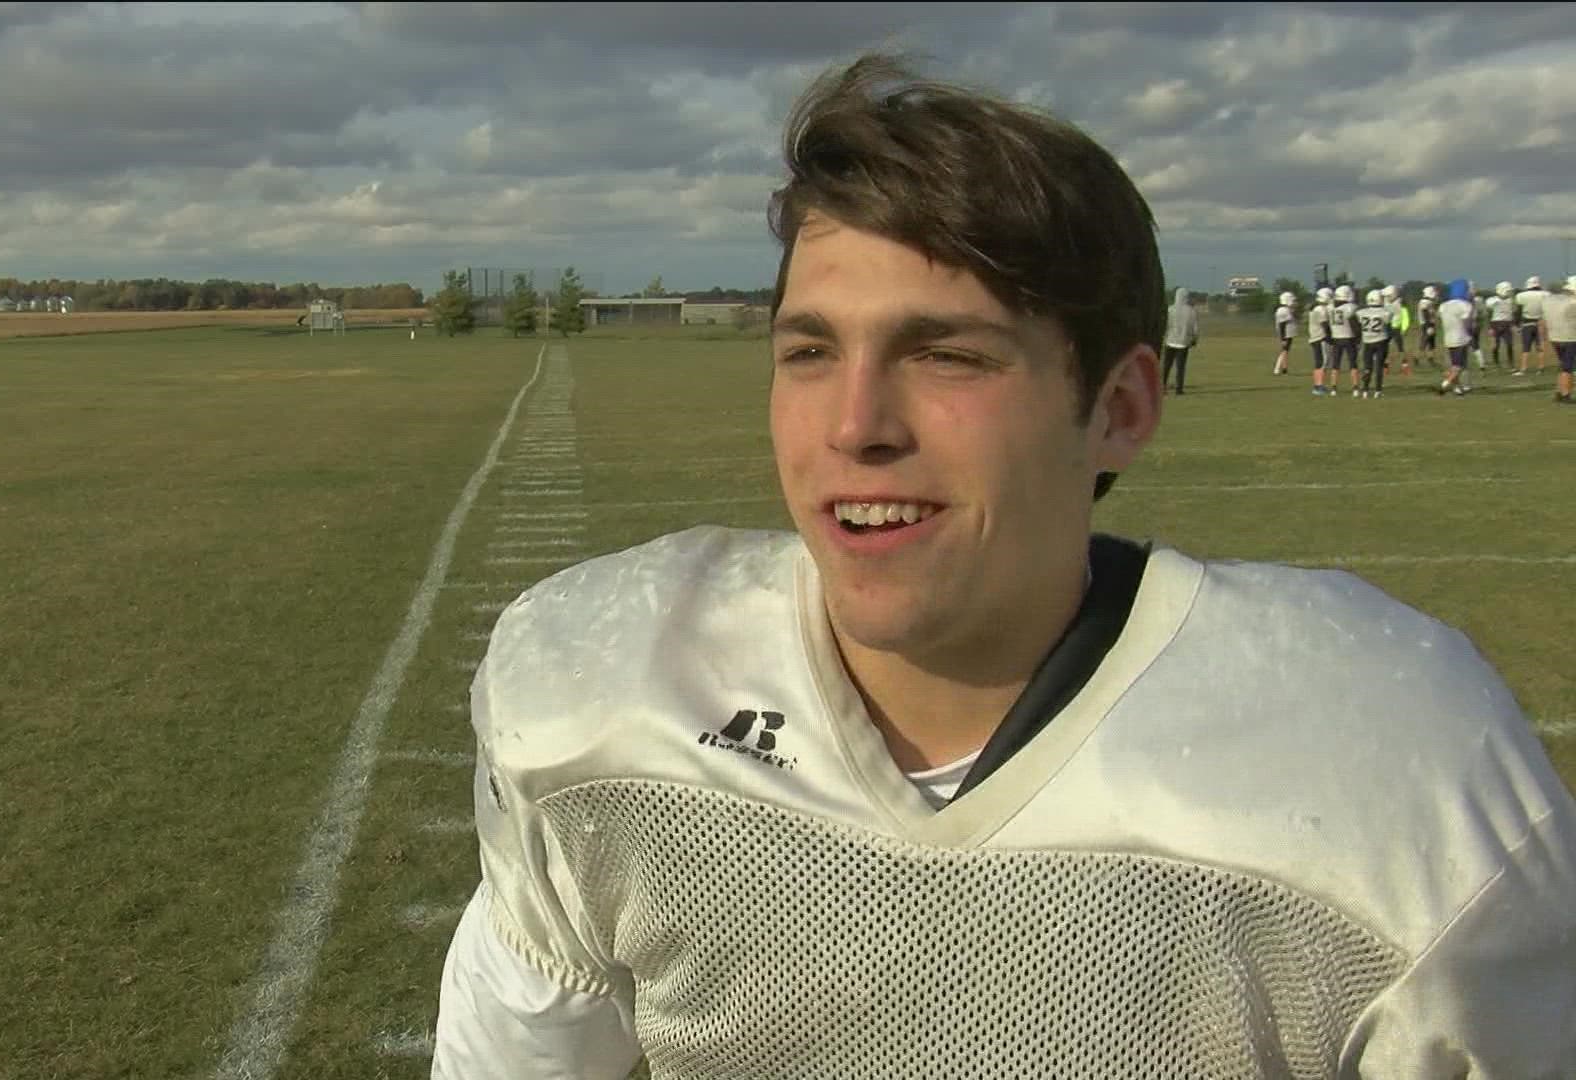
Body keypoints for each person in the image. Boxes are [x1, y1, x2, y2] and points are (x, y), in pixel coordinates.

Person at [432, 54, 1576, 1079]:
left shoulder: (1388, 766)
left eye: (947, 354)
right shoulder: (608, 696)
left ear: (1120, 409)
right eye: (811, 351)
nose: (854, 424)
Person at [1436, 278, 1477, 395]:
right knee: (1459, 366)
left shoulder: (1443, 306)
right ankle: (1445, 384)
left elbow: (1440, 318)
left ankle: (1457, 388)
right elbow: (1467, 322)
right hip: (1461, 338)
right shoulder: (1465, 305)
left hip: (1447, 338)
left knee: (1454, 365)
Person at [1162, 287, 1198, 394]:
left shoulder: (1170, 309)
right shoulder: (1191, 311)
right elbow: (1195, 328)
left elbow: (1166, 325)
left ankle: (1162, 387)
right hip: (1183, 343)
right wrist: (1194, 339)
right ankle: (1179, 389)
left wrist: (1165, 336)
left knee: (1166, 366)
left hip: (1170, 341)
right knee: (1180, 367)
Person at [1547, 275, 1576, 405]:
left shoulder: (1553, 302)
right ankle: (1566, 394)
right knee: (1568, 367)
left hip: (1555, 337)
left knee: (1563, 365)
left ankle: (1559, 391)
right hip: (1569, 337)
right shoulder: (1572, 303)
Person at [1357, 288, 1391, 398]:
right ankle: (1378, 390)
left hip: (1367, 341)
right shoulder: (1385, 313)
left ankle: (1365, 390)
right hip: (1381, 341)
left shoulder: (1361, 313)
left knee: (1367, 367)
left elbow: (1355, 320)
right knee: (1379, 367)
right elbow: (1389, 327)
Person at [1328, 283, 1360, 394]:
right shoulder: (1350, 308)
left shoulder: (1331, 308)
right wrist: (1358, 339)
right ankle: (1355, 387)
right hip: (1349, 337)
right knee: (1353, 363)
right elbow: (1354, 324)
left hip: (1336, 337)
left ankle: (1333, 388)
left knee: (1335, 364)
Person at [1516, 274, 1549, 374]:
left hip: (1527, 323)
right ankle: (1541, 368)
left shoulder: (1521, 296)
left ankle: (1523, 368)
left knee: (1526, 347)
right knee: (1540, 347)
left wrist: (1517, 324)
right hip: (1540, 322)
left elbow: (1518, 311)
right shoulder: (1545, 294)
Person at [1308, 285, 1334, 395]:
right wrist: (1331, 339)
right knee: (1323, 362)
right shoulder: (1321, 309)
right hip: (1320, 337)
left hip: (1315, 337)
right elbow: (1325, 325)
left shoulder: (1316, 308)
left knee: (1319, 362)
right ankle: (1318, 386)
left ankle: (1318, 385)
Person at [1488, 281, 1517, 373]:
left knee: (1509, 344)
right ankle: (1496, 363)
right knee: (1495, 345)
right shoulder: (1493, 300)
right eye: (1508, 291)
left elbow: (1512, 313)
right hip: (1496, 323)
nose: (1509, 292)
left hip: (1507, 324)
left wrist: (1513, 324)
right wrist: (1490, 327)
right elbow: (1489, 314)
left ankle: (1511, 363)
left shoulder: (1510, 300)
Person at [1273, 290, 1296, 375]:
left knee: (1285, 351)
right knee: (1284, 351)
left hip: (1288, 333)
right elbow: (1282, 325)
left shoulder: (1286, 310)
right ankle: (1278, 368)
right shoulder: (1283, 311)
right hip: (1286, 334)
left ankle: (1284, 368)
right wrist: (1283, 338)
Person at [1417, 284, 1440, 367]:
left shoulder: (1428, 301)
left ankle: (1431, 359)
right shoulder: (1424, 302)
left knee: (1431, 343)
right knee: (1425, 341)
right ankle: (1417, 358)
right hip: (1427, 324)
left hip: (1430, 323)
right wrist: (1429, 326)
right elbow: (1425, 312)